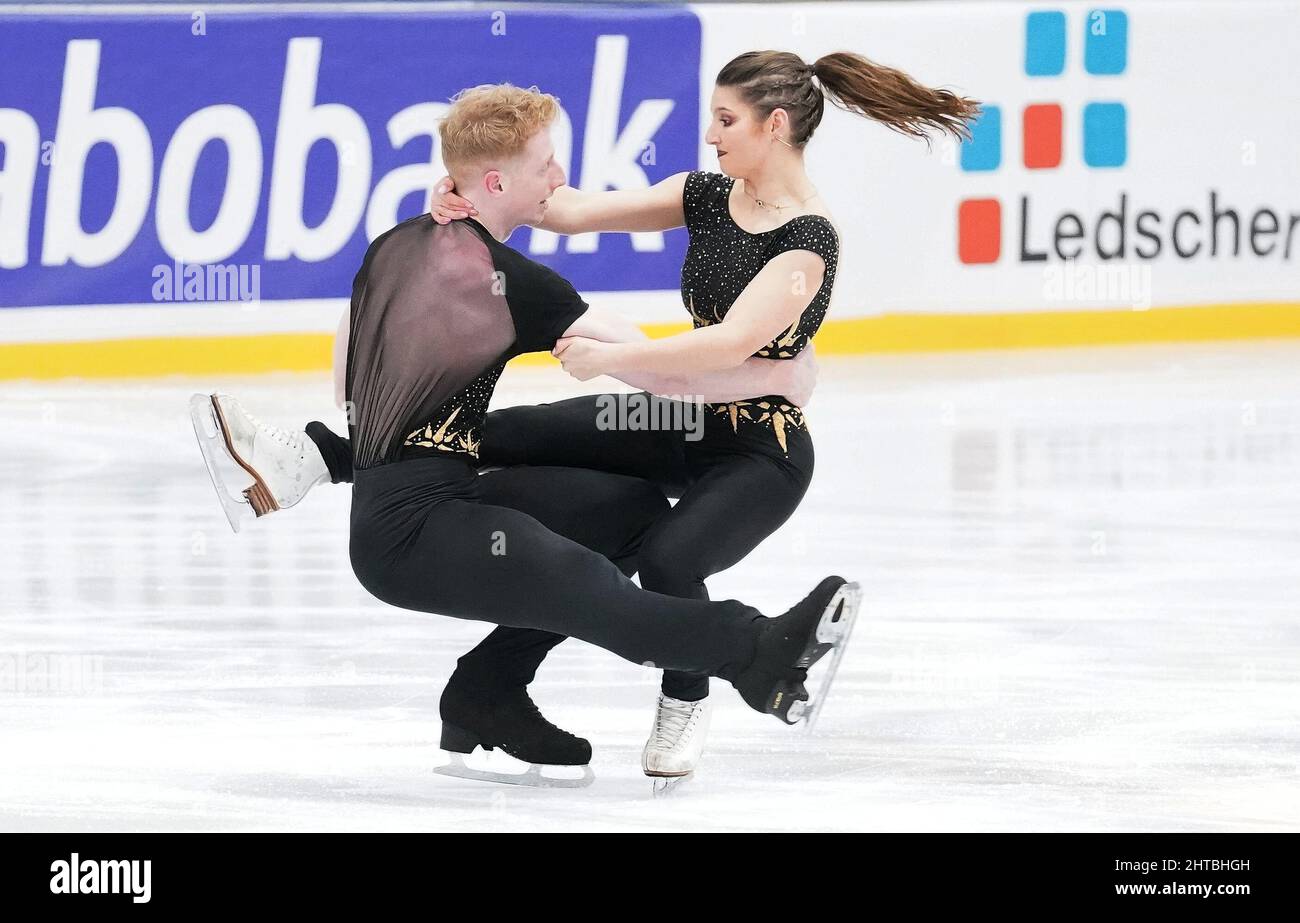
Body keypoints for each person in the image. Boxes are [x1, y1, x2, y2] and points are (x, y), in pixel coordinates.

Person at [216, 50, 979, 786]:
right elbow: (572, 214)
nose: (710, 134)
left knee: (653, 542)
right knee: (549, 452)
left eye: (725, 119)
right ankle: (329, 471)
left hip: (755, 440)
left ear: (774, 125)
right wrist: (460, 199)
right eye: (544, 166)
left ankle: (655, 700)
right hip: (669, 414)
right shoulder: (697, 199)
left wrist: (762, 371)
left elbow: (719, 348)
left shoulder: (807, 238)